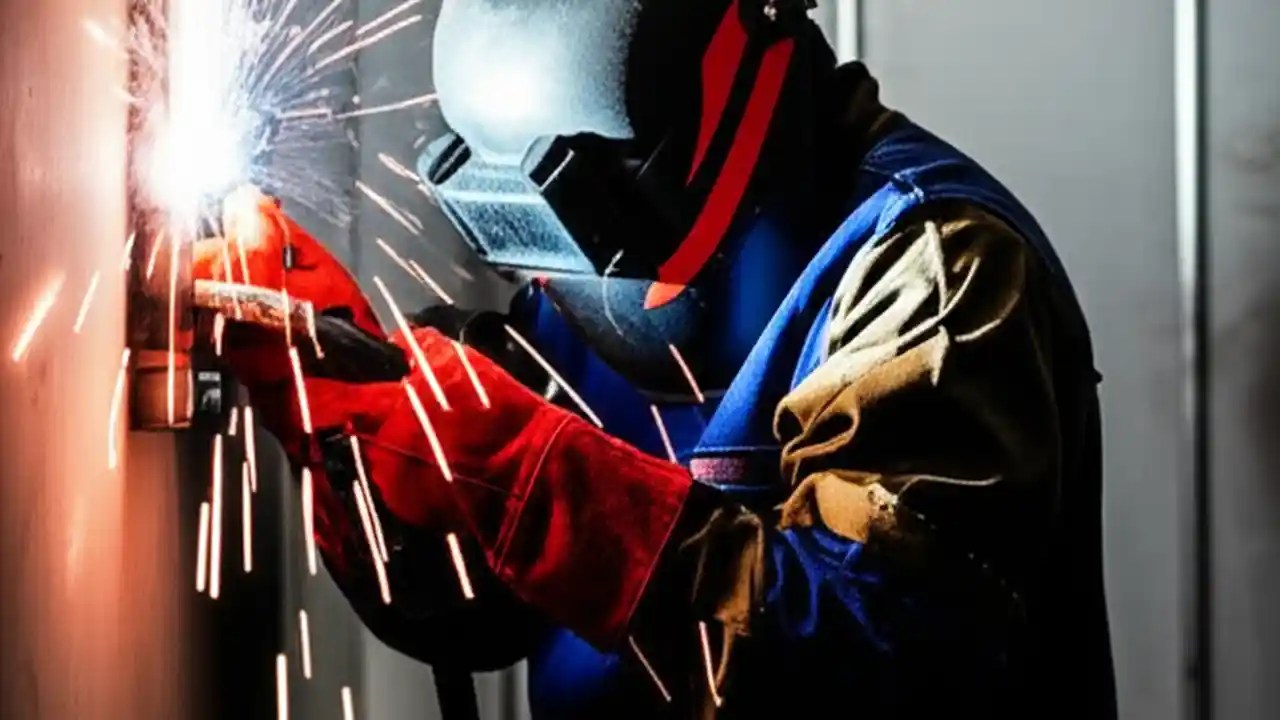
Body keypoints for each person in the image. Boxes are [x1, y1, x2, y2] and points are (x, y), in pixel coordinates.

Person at [196, 0, 1118, 717]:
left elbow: (871, 680)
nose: (561, 286)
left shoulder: (935, 274)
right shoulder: (595, 263)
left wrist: (532, 482)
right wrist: (357, 426)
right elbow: (480, 612)